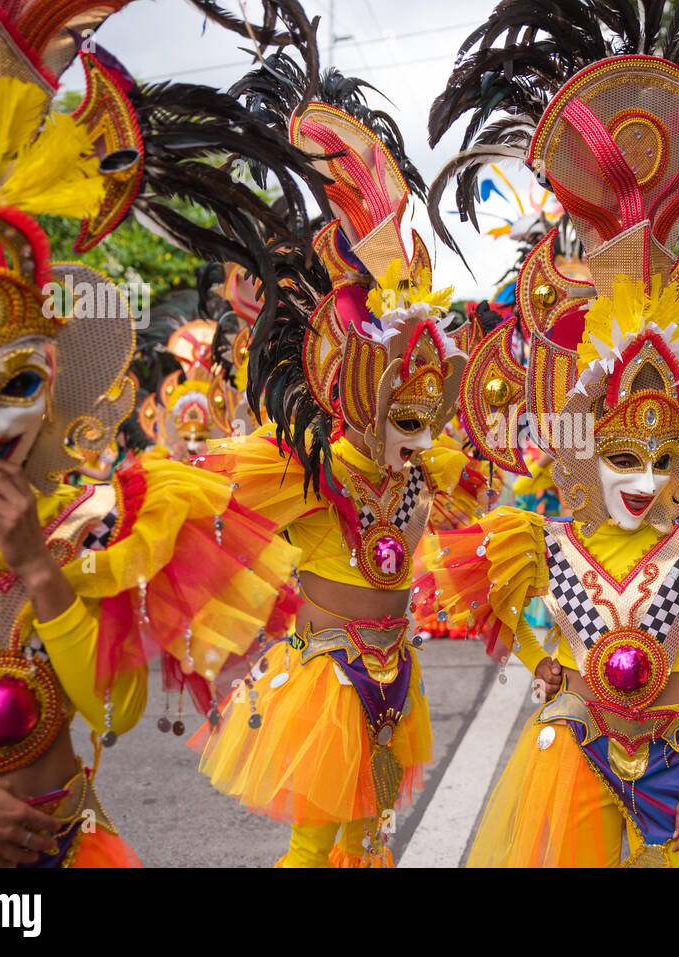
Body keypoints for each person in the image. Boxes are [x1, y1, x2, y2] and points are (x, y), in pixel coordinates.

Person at [0, 0, 307, 867]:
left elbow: (116, 714)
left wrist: (39, 564)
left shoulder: (95, 519)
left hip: (68, 843)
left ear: (56, 388)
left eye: (20, 384)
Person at [420, 0, 679, 867]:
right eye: (619, 456)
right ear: (582, 452)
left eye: (656, 456)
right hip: (572, 756)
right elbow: (508, 616)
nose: (642, 476)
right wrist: (551, 671)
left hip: (677, 759)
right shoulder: (544, 544)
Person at [187, 9, 488, 866]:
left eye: (429, 400)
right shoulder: (310, 466)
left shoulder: (429, 464)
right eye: (400, 399)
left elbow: (496, 457)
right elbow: (211, 498)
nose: (419, 419)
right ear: (352, 388)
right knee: (316, 843)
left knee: (374, 838)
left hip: (396, 672)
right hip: (326, 675)